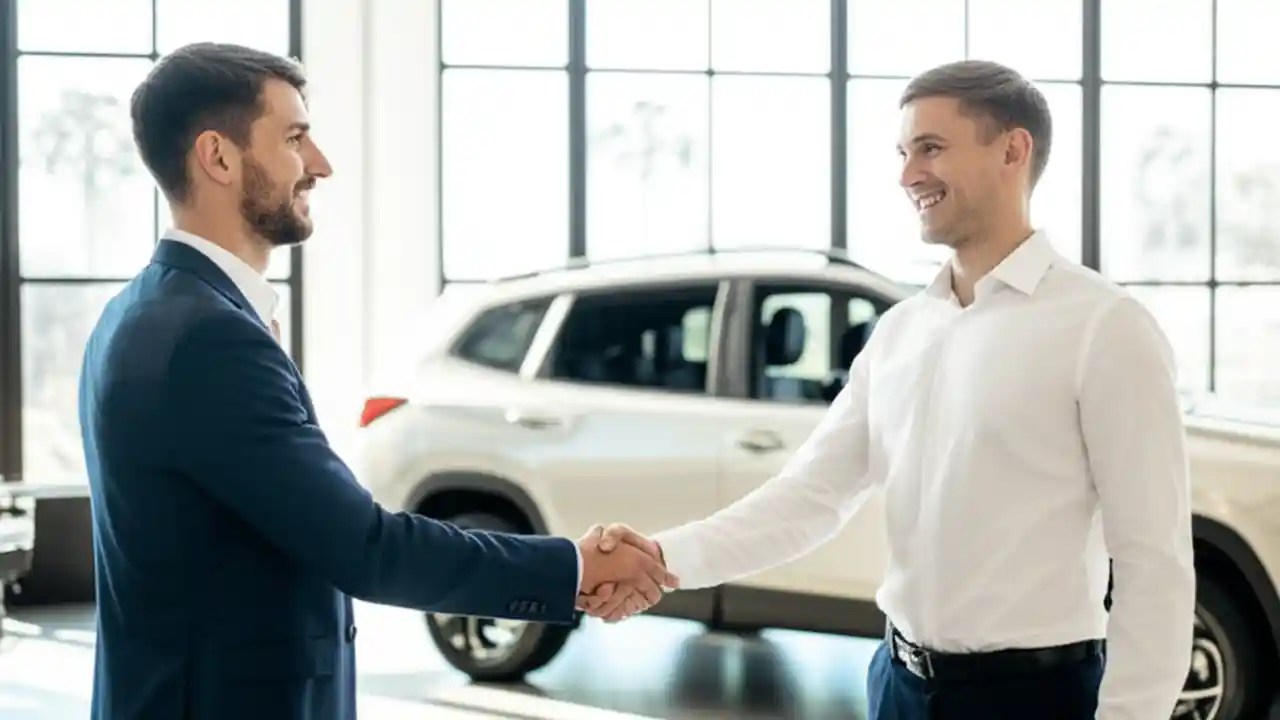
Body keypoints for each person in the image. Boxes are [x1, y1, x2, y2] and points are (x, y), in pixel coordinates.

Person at [580, 59, 1195, 719]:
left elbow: (1153, 563)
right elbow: (808, 499)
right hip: (897, 688)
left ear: (1013, 150)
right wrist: (660, 558)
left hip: (1034, 699)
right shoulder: (901, 332)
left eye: (931, 148)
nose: (907, 176)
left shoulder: (1105, 327)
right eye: (903, 153)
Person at [78, 42, 675, 720]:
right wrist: (573, 569)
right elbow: (364, 547)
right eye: (296, 138)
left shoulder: (143, 312)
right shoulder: (205, 339)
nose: (321, 165)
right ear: (218, 157)